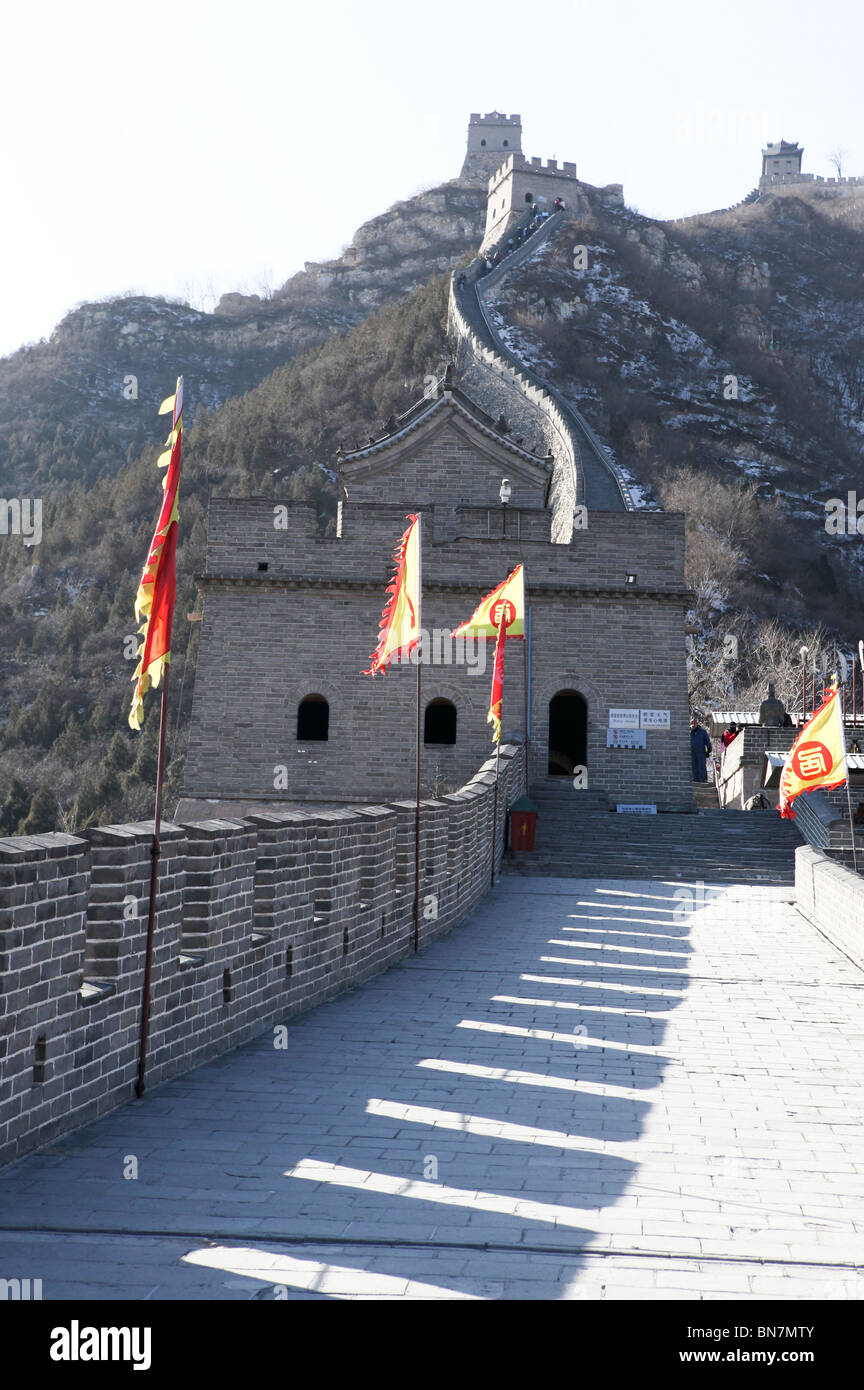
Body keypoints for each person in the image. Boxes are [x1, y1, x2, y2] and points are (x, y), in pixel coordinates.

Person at [690, 717, 712, 782]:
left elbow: (707, 741)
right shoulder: (689, 732)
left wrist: (709, 749)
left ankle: (703, 779)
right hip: (692, 752)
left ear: (697, 724)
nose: (693, 725)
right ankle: (695, 779)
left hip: (701, 751)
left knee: (701, 765)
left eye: (694, 723)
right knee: (693, 765)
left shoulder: (702, 732)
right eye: (691, 723)